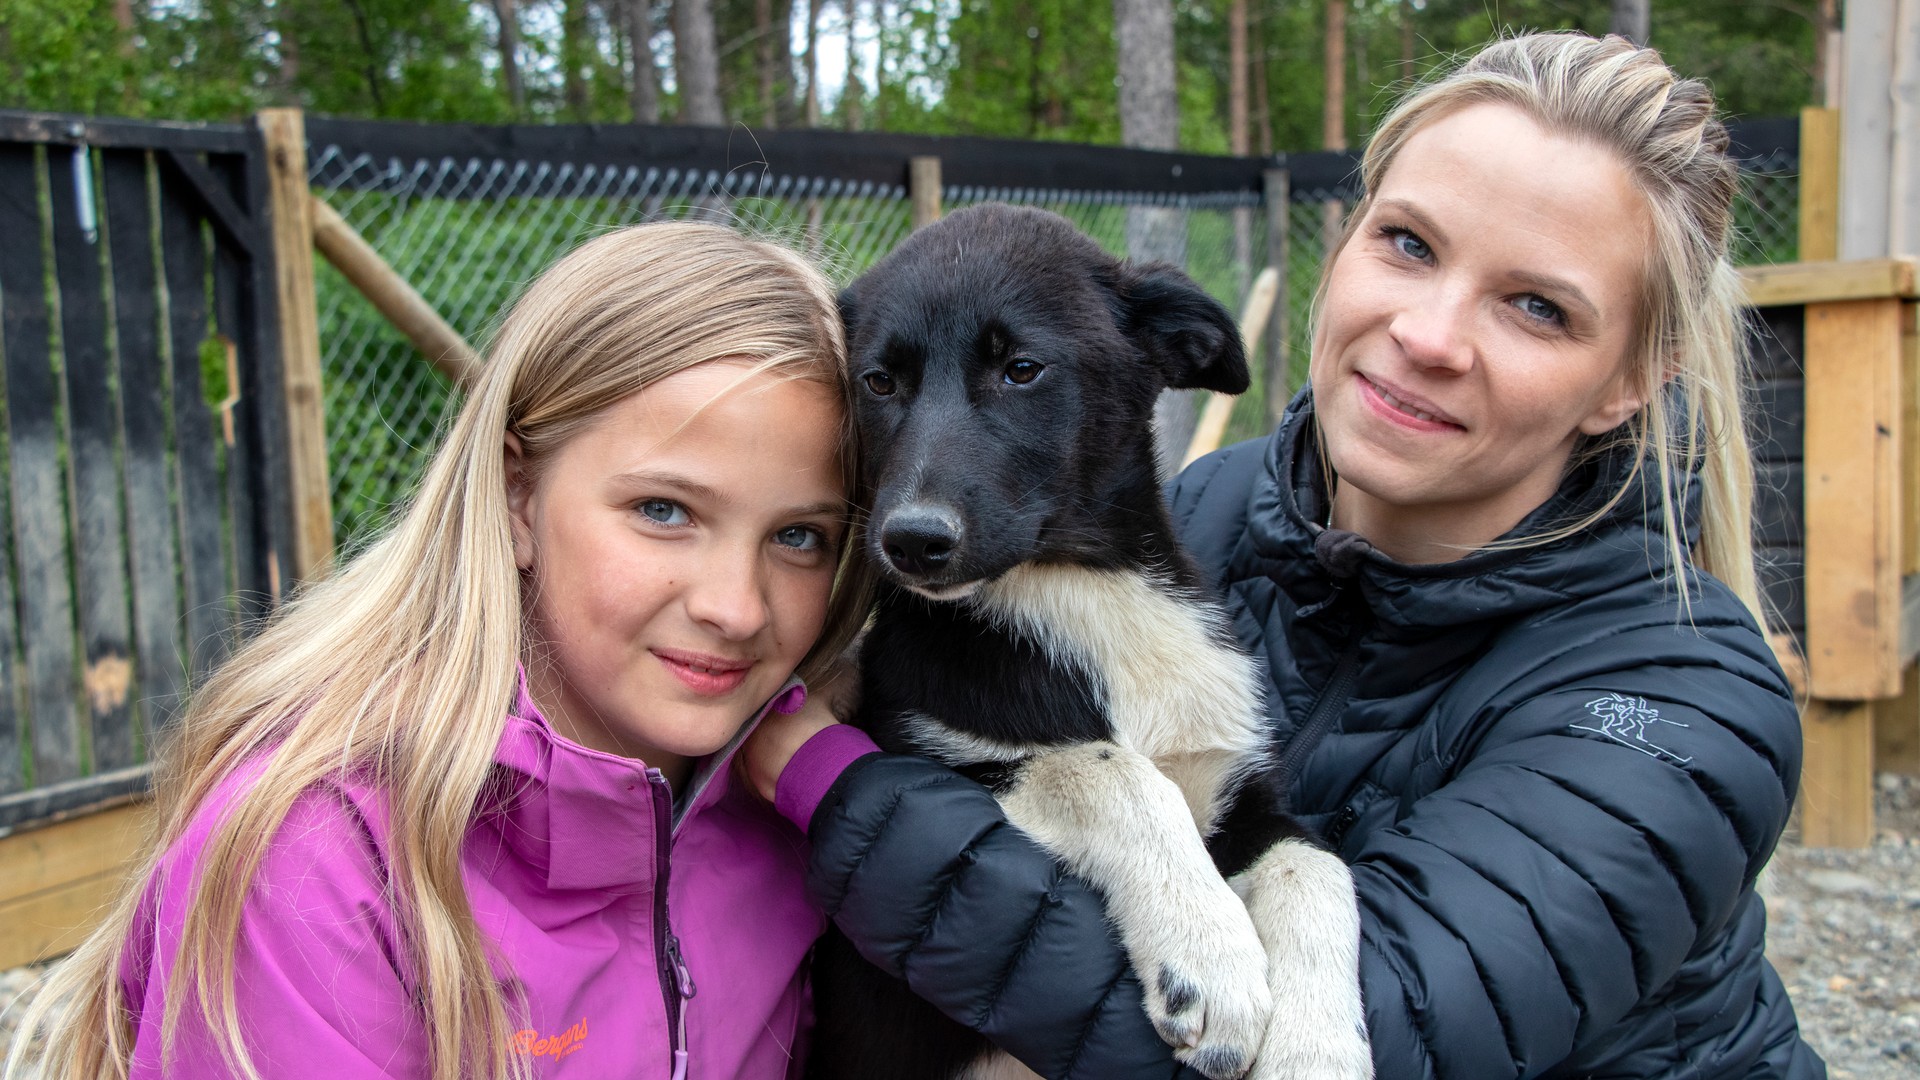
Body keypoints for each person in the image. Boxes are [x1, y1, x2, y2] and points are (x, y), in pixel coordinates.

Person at [742, 32, 1827, 1080]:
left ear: (1632, 378)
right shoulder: (1202, 515)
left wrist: (823, 776)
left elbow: (1370, 1035)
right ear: (1345, 241)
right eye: (1409, 244)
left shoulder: (1679, 702)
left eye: (1536, 307)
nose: (1429, 334)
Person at [6, 222, 881, 1080]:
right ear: (516, 491)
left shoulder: (799, 810)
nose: (736, 607)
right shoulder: (320, 858)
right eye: (664, 511)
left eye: (798, 537)